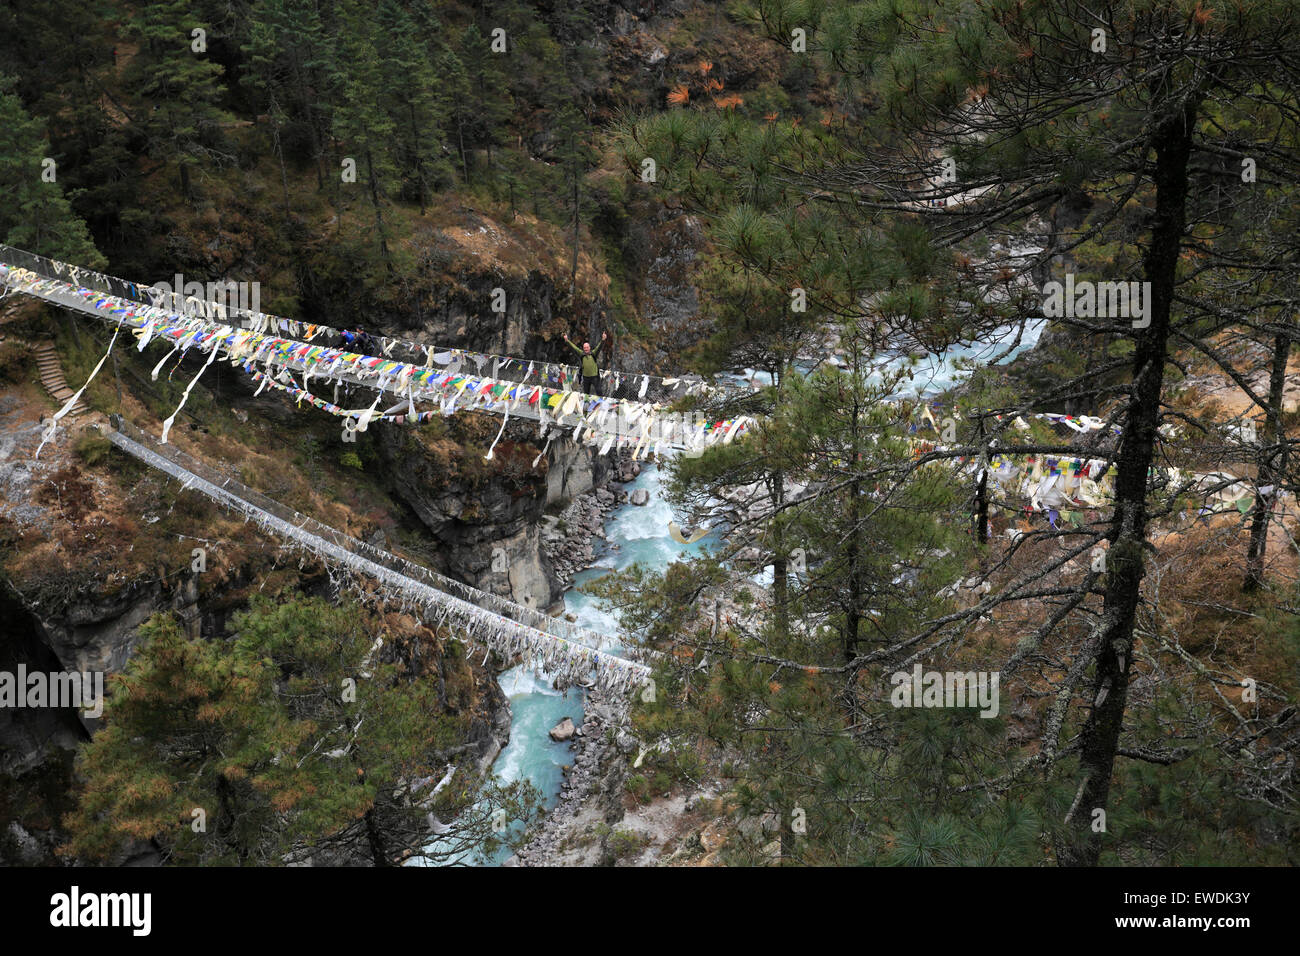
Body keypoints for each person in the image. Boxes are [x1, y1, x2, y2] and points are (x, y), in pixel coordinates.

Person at [564, 330, 608, 395]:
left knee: (599, 391)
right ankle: (586, 402)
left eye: (587, 347)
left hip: (595, 376)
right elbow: (574, 348)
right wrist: (567, 340)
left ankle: (601, 402)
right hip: (586, 377)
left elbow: (599, 347)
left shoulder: (593, 353)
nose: (586, 349)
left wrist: (603, 340)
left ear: (589, 348)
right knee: (586, 393)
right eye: (584, 348)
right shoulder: (581, 354)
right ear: (583, 348)